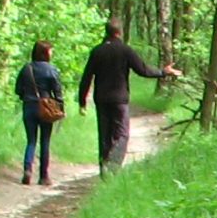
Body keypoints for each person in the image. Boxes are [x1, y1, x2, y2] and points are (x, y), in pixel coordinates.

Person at [75, 15, 181, 172]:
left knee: (104, 135)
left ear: (107, 32)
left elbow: (87, 77)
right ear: (120, 33)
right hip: (119, 99)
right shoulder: (125, 50)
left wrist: (82, 100)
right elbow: (143, 70)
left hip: (101, 99)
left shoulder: (97, 51)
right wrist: (163, 72)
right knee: (122, 134)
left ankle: (104, 166)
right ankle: (114, 164)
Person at [14, 40, 64, 186]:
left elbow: (18, 90)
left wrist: (27, 96)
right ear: (45, 53)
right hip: (46, 108)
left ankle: (27, 169)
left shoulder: (26, 68)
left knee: (31, 140)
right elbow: (57, 91)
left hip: (29, 106)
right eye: (50, 51)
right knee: (45, 141)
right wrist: (60, 107)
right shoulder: (51, 70)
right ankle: (43, 176)